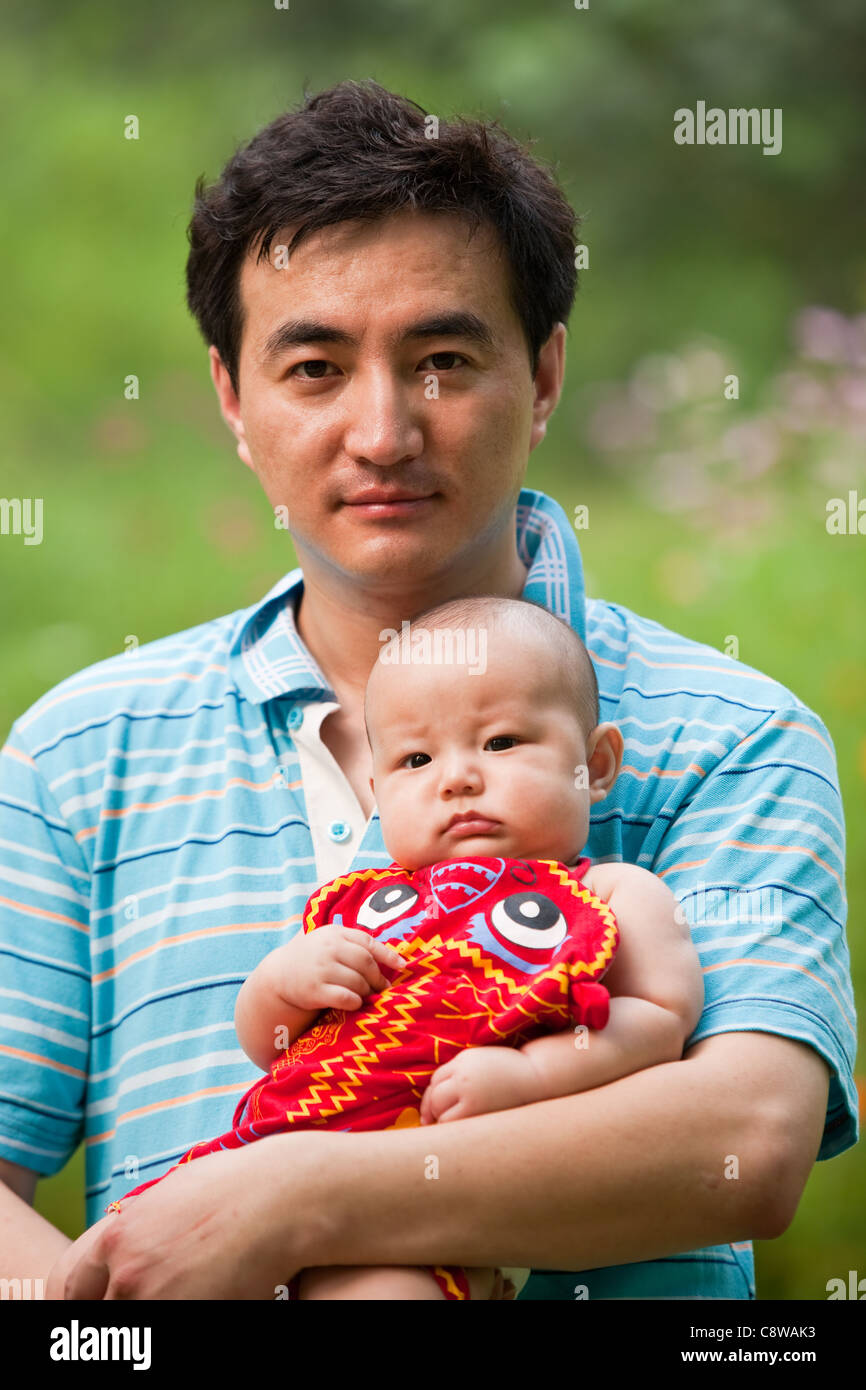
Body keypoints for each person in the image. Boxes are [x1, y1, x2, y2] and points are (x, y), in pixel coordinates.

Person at [0, 80, 855, 1301]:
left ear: (545, 373)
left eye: (443, 358)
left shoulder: (730, 734)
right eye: (313, 367)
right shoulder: (81, 754)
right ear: (234, 402)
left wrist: (287, 1200)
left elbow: (747, 1143)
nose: (383, 429)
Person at [104, 596, 705, 1299]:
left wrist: (535, 1076)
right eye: (417, 759)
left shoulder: (608, 895)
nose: (457, 777)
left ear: (595, 764)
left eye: (502, 742)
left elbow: (661, 1019)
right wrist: (283, 981)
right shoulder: (372, 908)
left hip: (427, 1210)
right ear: (380, 791)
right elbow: (270, 1047)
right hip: (251, 1179)